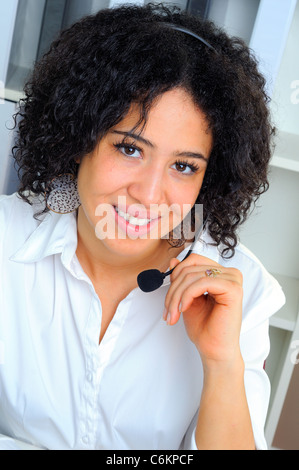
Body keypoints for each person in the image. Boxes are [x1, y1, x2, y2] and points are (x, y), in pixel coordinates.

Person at [0, 3, 285, 450]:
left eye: (185, 166)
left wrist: (221, 361)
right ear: (80, 139)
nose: (150, 195)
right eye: (130, 149)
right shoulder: (6, 241)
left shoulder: (242, 291)